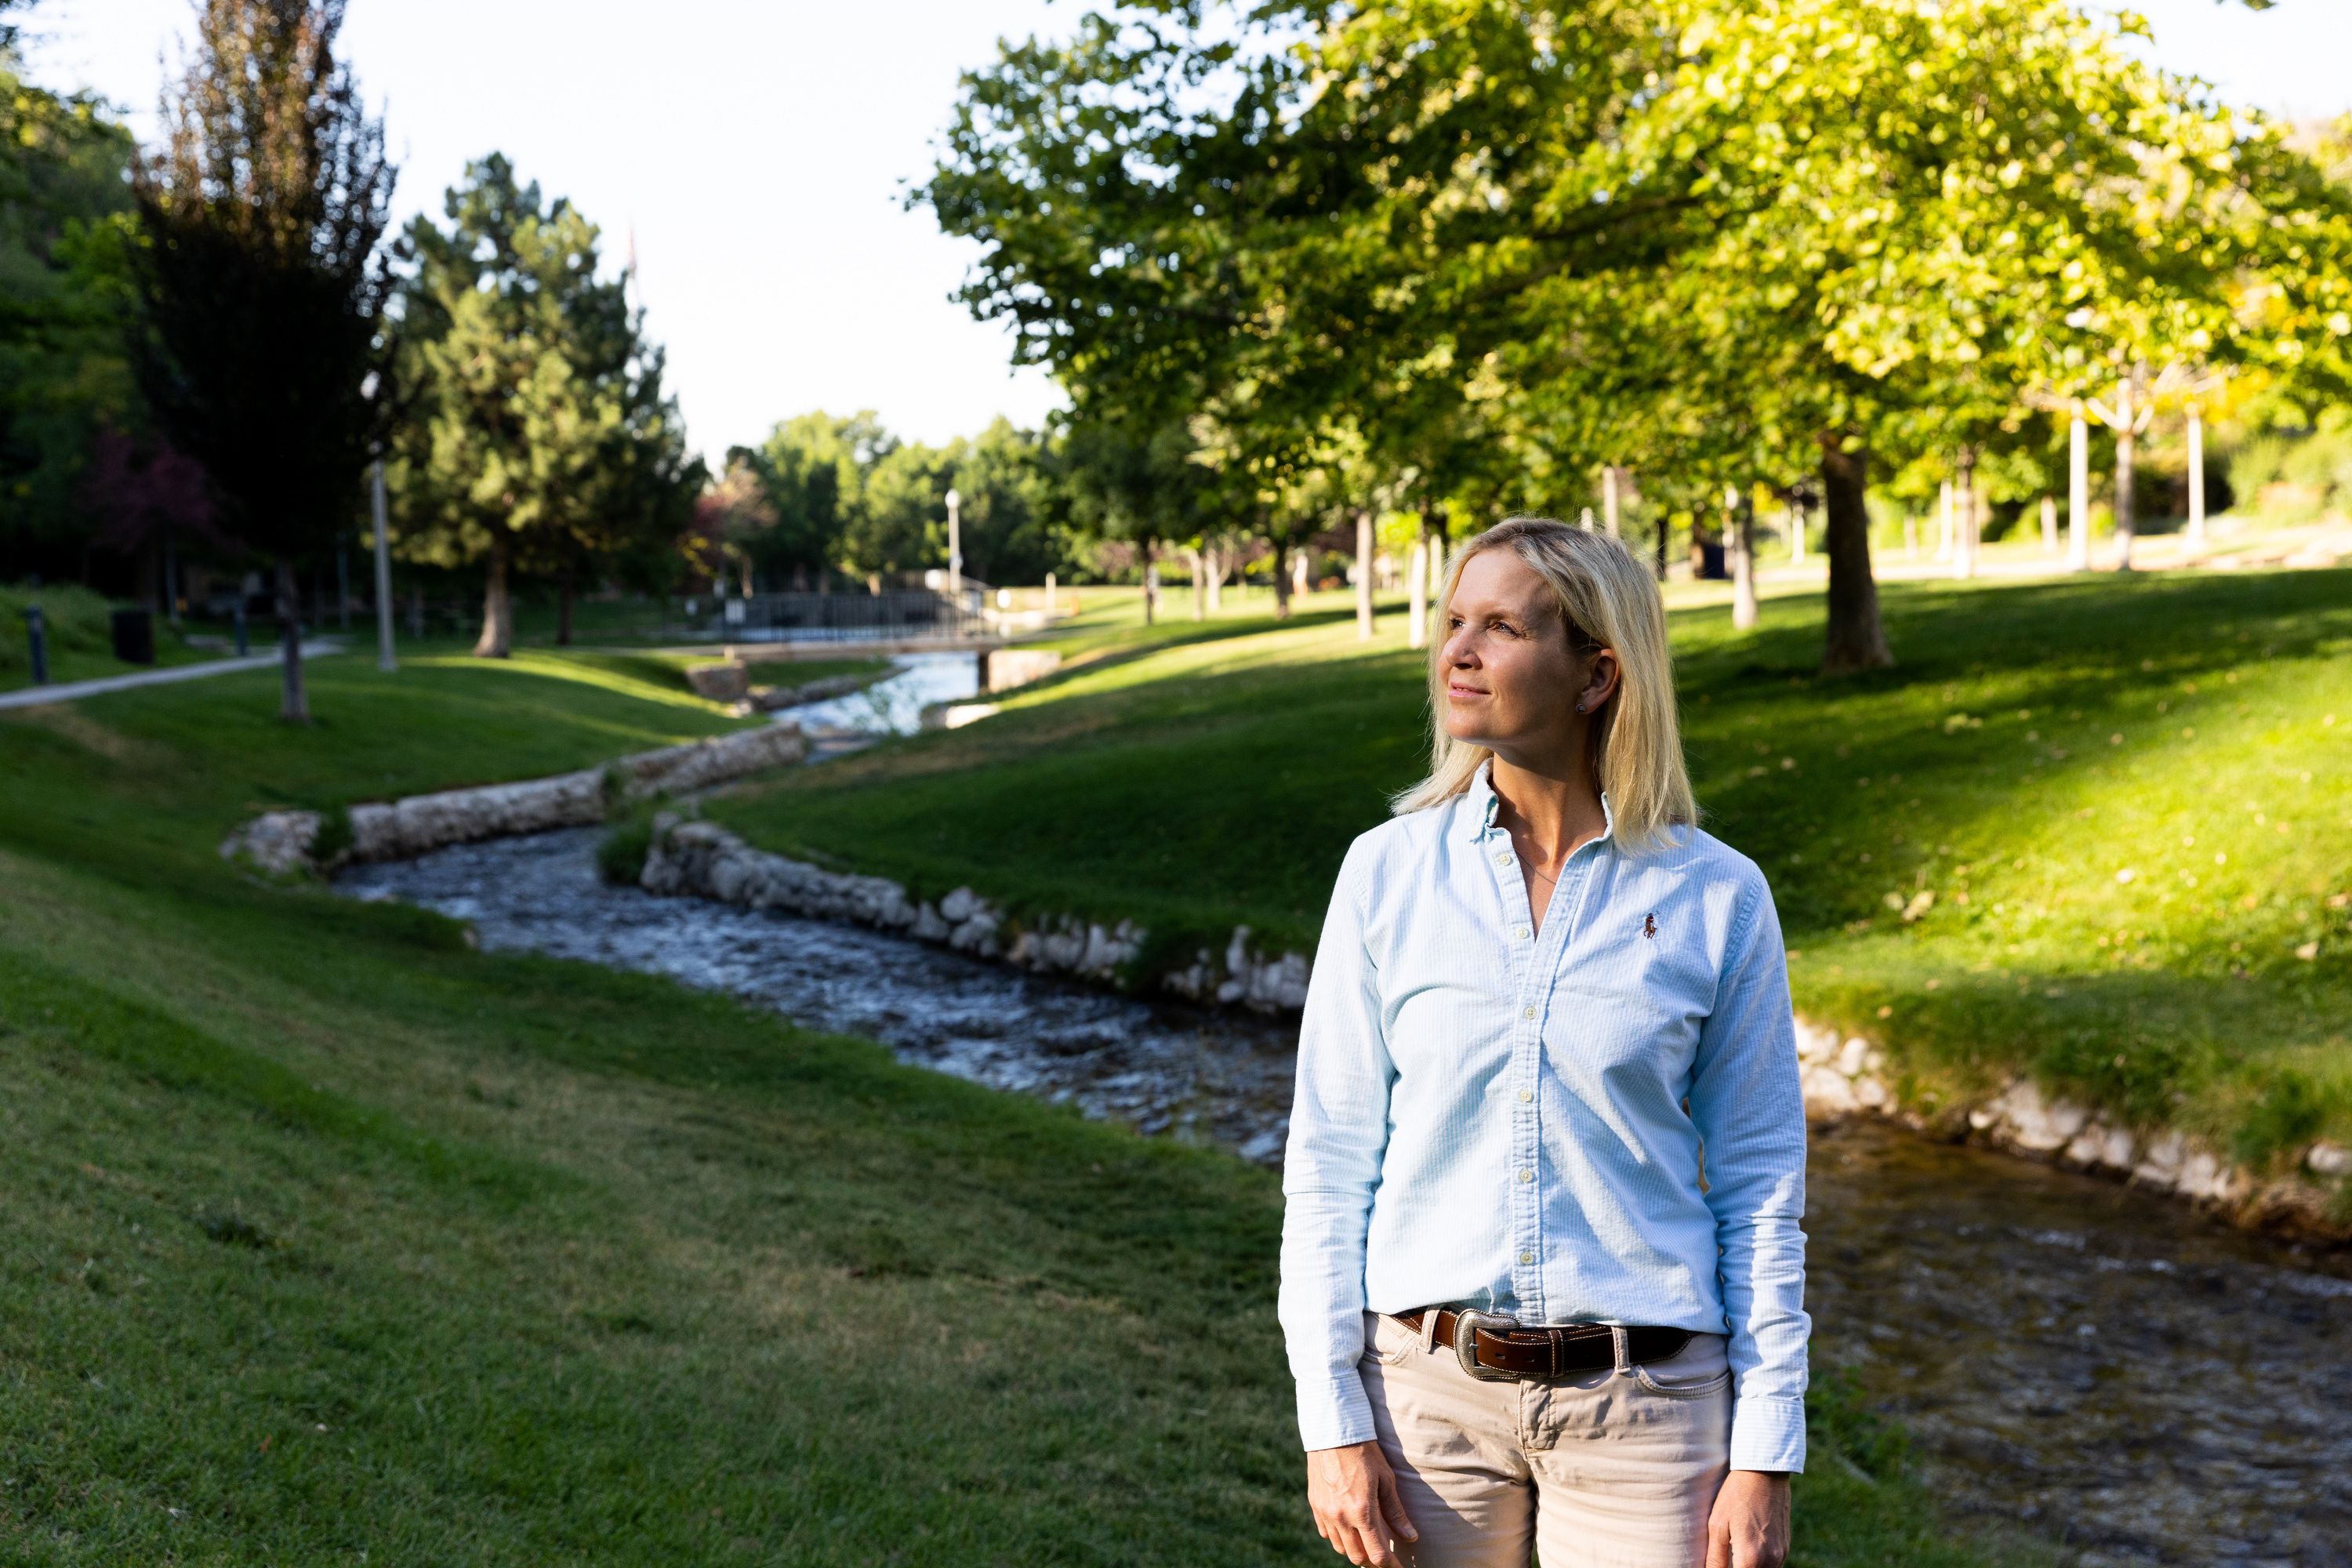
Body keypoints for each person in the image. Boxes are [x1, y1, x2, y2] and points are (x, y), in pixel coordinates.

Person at [1279, 517, 1809, 1568]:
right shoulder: (1384, 874)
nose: (1458, 653)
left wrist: (1767, 1450)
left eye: (1503, 628)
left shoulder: (1718, 897)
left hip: (1650, 1419)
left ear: (1596, 673)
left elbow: (1761, 1184)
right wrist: (1333, 1422)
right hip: (1426, 1406)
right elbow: (1330, 1165)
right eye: (1454, 622)